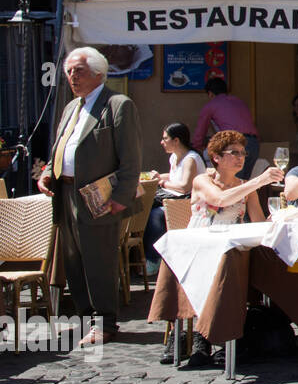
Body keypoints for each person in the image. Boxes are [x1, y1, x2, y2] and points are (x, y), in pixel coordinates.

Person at [36, 47, 143, 347]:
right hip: (66, 192)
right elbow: (61, 147)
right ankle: (85, 320)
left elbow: (131, 158)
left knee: (99, 262)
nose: (72, 76)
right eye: (69, 71)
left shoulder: (117, 105)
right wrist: (48, 171)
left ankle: (105, 323)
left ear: (98, 72)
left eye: (78, 70)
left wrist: (121, 196)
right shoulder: (72, 107)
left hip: (99, 198)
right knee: (73, 262)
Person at [179, 130, 283, 367]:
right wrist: (260, 180)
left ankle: (226, 336)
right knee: (216, 266)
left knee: (240, 263)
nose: (240, 158)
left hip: (229, 248)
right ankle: (201, 338)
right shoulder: (202, 181)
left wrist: (280, 219)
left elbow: (259, 224)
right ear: (215, 157)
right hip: (199, 246)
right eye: (233, 153)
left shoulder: (245, 187)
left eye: (243, 153)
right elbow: (221, 200)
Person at [143, 122, 204, 266]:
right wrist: (159, 176)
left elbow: (184, 187)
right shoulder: (174, 157)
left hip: (187, 203)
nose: (162, 142)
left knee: (155, 215)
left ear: (176, 140)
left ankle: (154, 260)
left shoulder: (191, 159)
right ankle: (148, 257)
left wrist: (161, 183)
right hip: (174, 199)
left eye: (165, 138)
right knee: (145, 210)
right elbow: (173, 176)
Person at [194, 77, 260, 180]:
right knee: (244, 182)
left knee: (232, 182)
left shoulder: (211, 105)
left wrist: (196, 148)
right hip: (253, 143)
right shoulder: (239, 102)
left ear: (210, 94)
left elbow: (200, 133)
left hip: (234, 145)